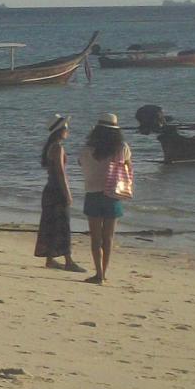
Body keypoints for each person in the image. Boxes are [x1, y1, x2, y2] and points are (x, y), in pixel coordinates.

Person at [79, 112, 132, 284]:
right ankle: (104, 274)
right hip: (112, 195)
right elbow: (128, 166)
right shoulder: (121, 148)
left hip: (93, 194)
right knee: (108, 238)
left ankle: (98, 273)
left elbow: (81, 164)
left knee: (95, 238)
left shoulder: (87, 149)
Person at [34, 114, 83, 271]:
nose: (68, 131)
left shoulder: (50, 147)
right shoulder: (58, 147)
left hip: (50, 189)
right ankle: (68, 260)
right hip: (56, 190)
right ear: (60, 130)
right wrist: (67, 192)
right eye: (66, 128)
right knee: (62, 224)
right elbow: (61, 172)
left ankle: (51, 259)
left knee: (51, 224)